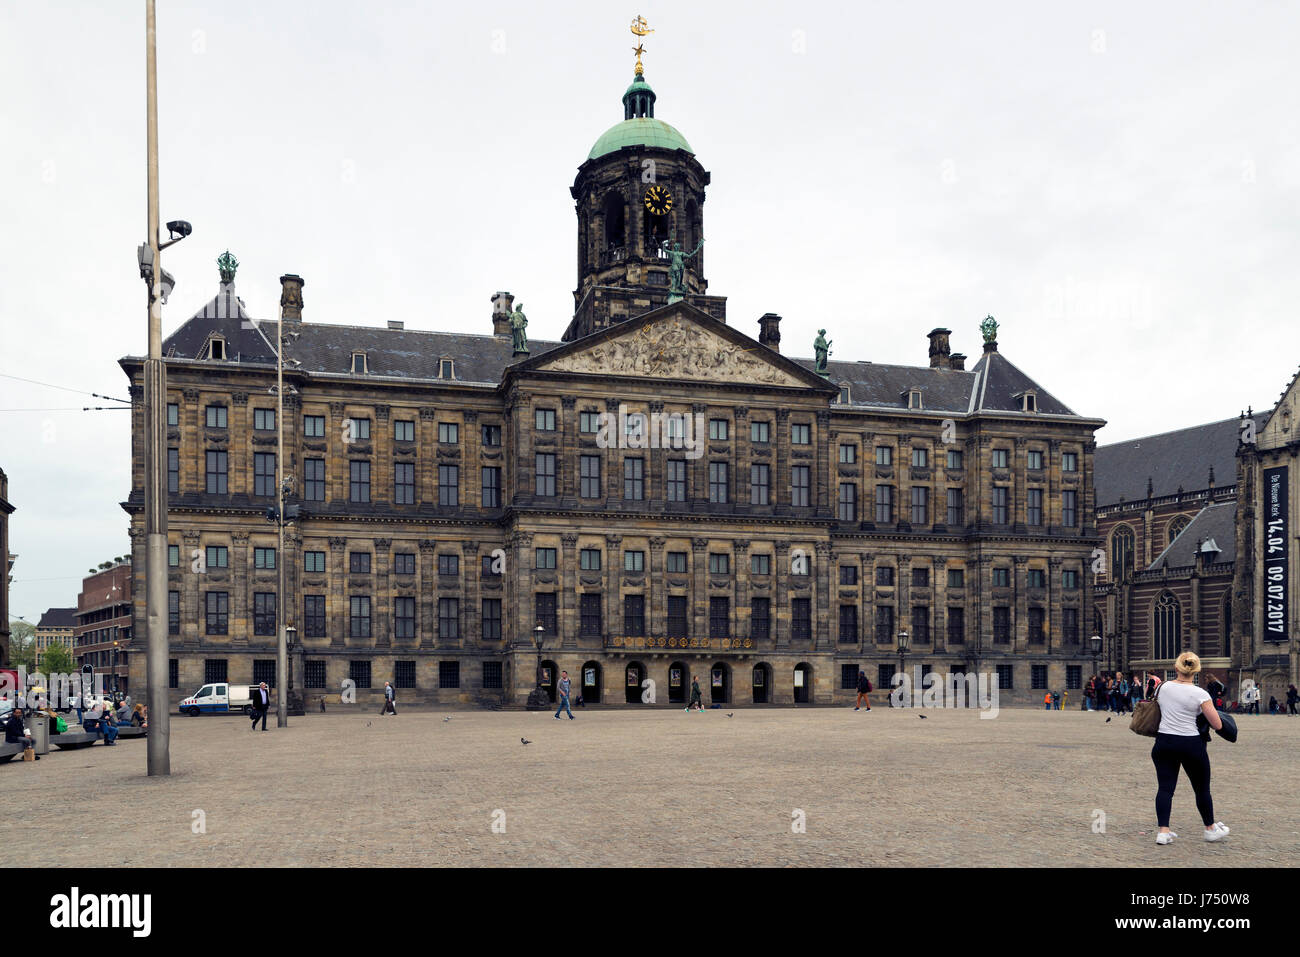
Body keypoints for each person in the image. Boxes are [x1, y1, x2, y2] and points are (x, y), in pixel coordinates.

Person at [1150, 651, 1228, 845]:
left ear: (1176, 668)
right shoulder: (1201, 694)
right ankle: (1210, 829)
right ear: (1197, 670)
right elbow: (1217, 725)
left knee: (1165, 788)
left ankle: (1163, 831)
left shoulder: (1163, 687)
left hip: (1164, 741)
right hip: (1190, 743)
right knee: (1201, 789)